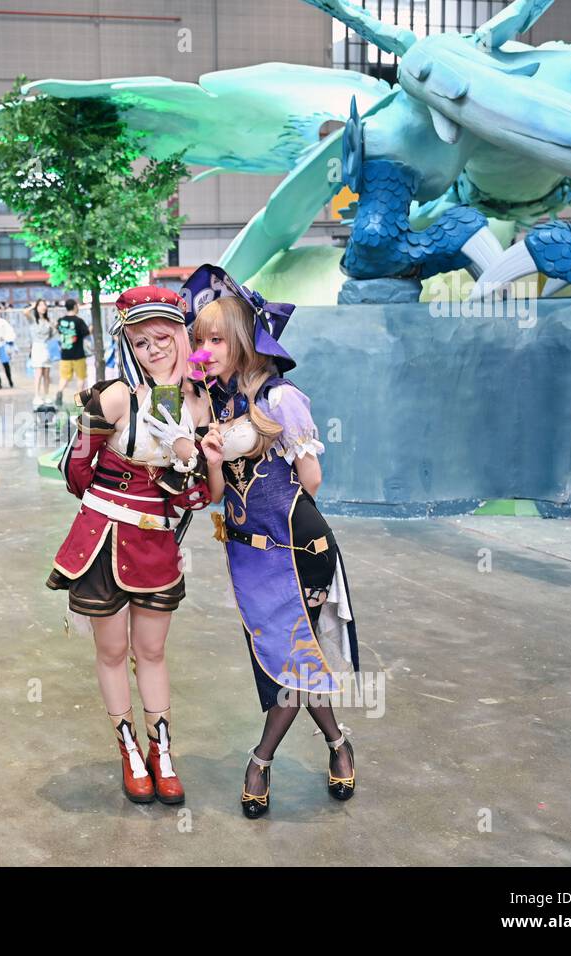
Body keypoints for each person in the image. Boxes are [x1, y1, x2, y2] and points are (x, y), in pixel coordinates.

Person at [185, 264, 359, 820]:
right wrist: (214, 455)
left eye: (216, 339)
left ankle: (261, 759)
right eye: (200, 340)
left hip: (295, 545)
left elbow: (312, 481)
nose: (205, 350)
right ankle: (338, 743)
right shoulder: (216, 404)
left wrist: (265, 439)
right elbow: (216, 494)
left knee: (294, 660)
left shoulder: (281, 399)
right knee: (284, 662)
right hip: (244, 551)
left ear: (243, 342)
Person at [46, 286, 213, 806]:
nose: (153, 349)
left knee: (153, 650)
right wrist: (116, 486)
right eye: (141, 343)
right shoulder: (118, 396)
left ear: (182, 336)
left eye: (162, 337)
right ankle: (130, 751)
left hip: (157, 543)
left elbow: (202, 494)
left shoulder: (201, 402)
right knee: (113, 650)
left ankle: (163, 751)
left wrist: (187, 459)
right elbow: (73, 467)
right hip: (101, 540)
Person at [55, 298, 91, 407]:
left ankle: (59, 392)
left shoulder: (60, 321)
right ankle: (79, 403)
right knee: (80, 378)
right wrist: (92, 328)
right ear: (75, 306)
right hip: (78, 355)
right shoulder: (79, 321)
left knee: (64, 377)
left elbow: (59, 330)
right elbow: (86, 333)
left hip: (65, 355)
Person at [25, 299, 55, 408]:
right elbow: (25, 312)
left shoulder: (48, 321)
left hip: (46, 347)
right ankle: (37, 396)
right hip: (37, 347)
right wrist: (33, 306)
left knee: (46, 374)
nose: (43, 307)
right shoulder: (33, 319)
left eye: (44, 305)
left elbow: (52, 334)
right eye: (40, 305)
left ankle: (46, 395)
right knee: (38, 373)